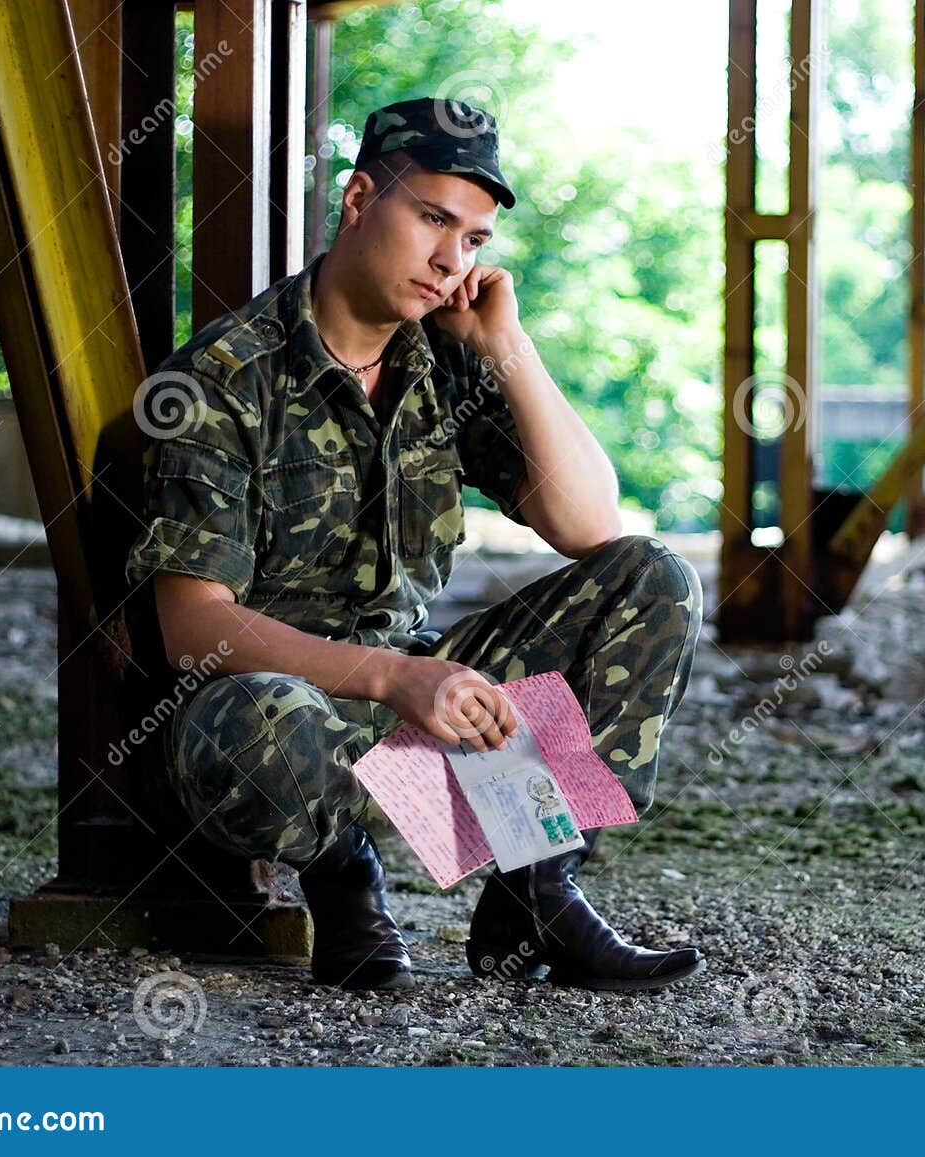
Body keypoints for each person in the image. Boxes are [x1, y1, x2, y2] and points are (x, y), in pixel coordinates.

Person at [124, 97, 705, 993]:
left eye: (473, 239)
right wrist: (395, 677)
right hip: (278, 717)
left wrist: (506, 344)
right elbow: (193, 628)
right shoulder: (224, 377)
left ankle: (536, 884)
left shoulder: (444, 361)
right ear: (359, 200)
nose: (450, 260)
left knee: (654, 577)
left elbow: (591, 525)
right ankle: (346, 881)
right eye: (432, 219)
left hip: (416, 701)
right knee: (264, 718)